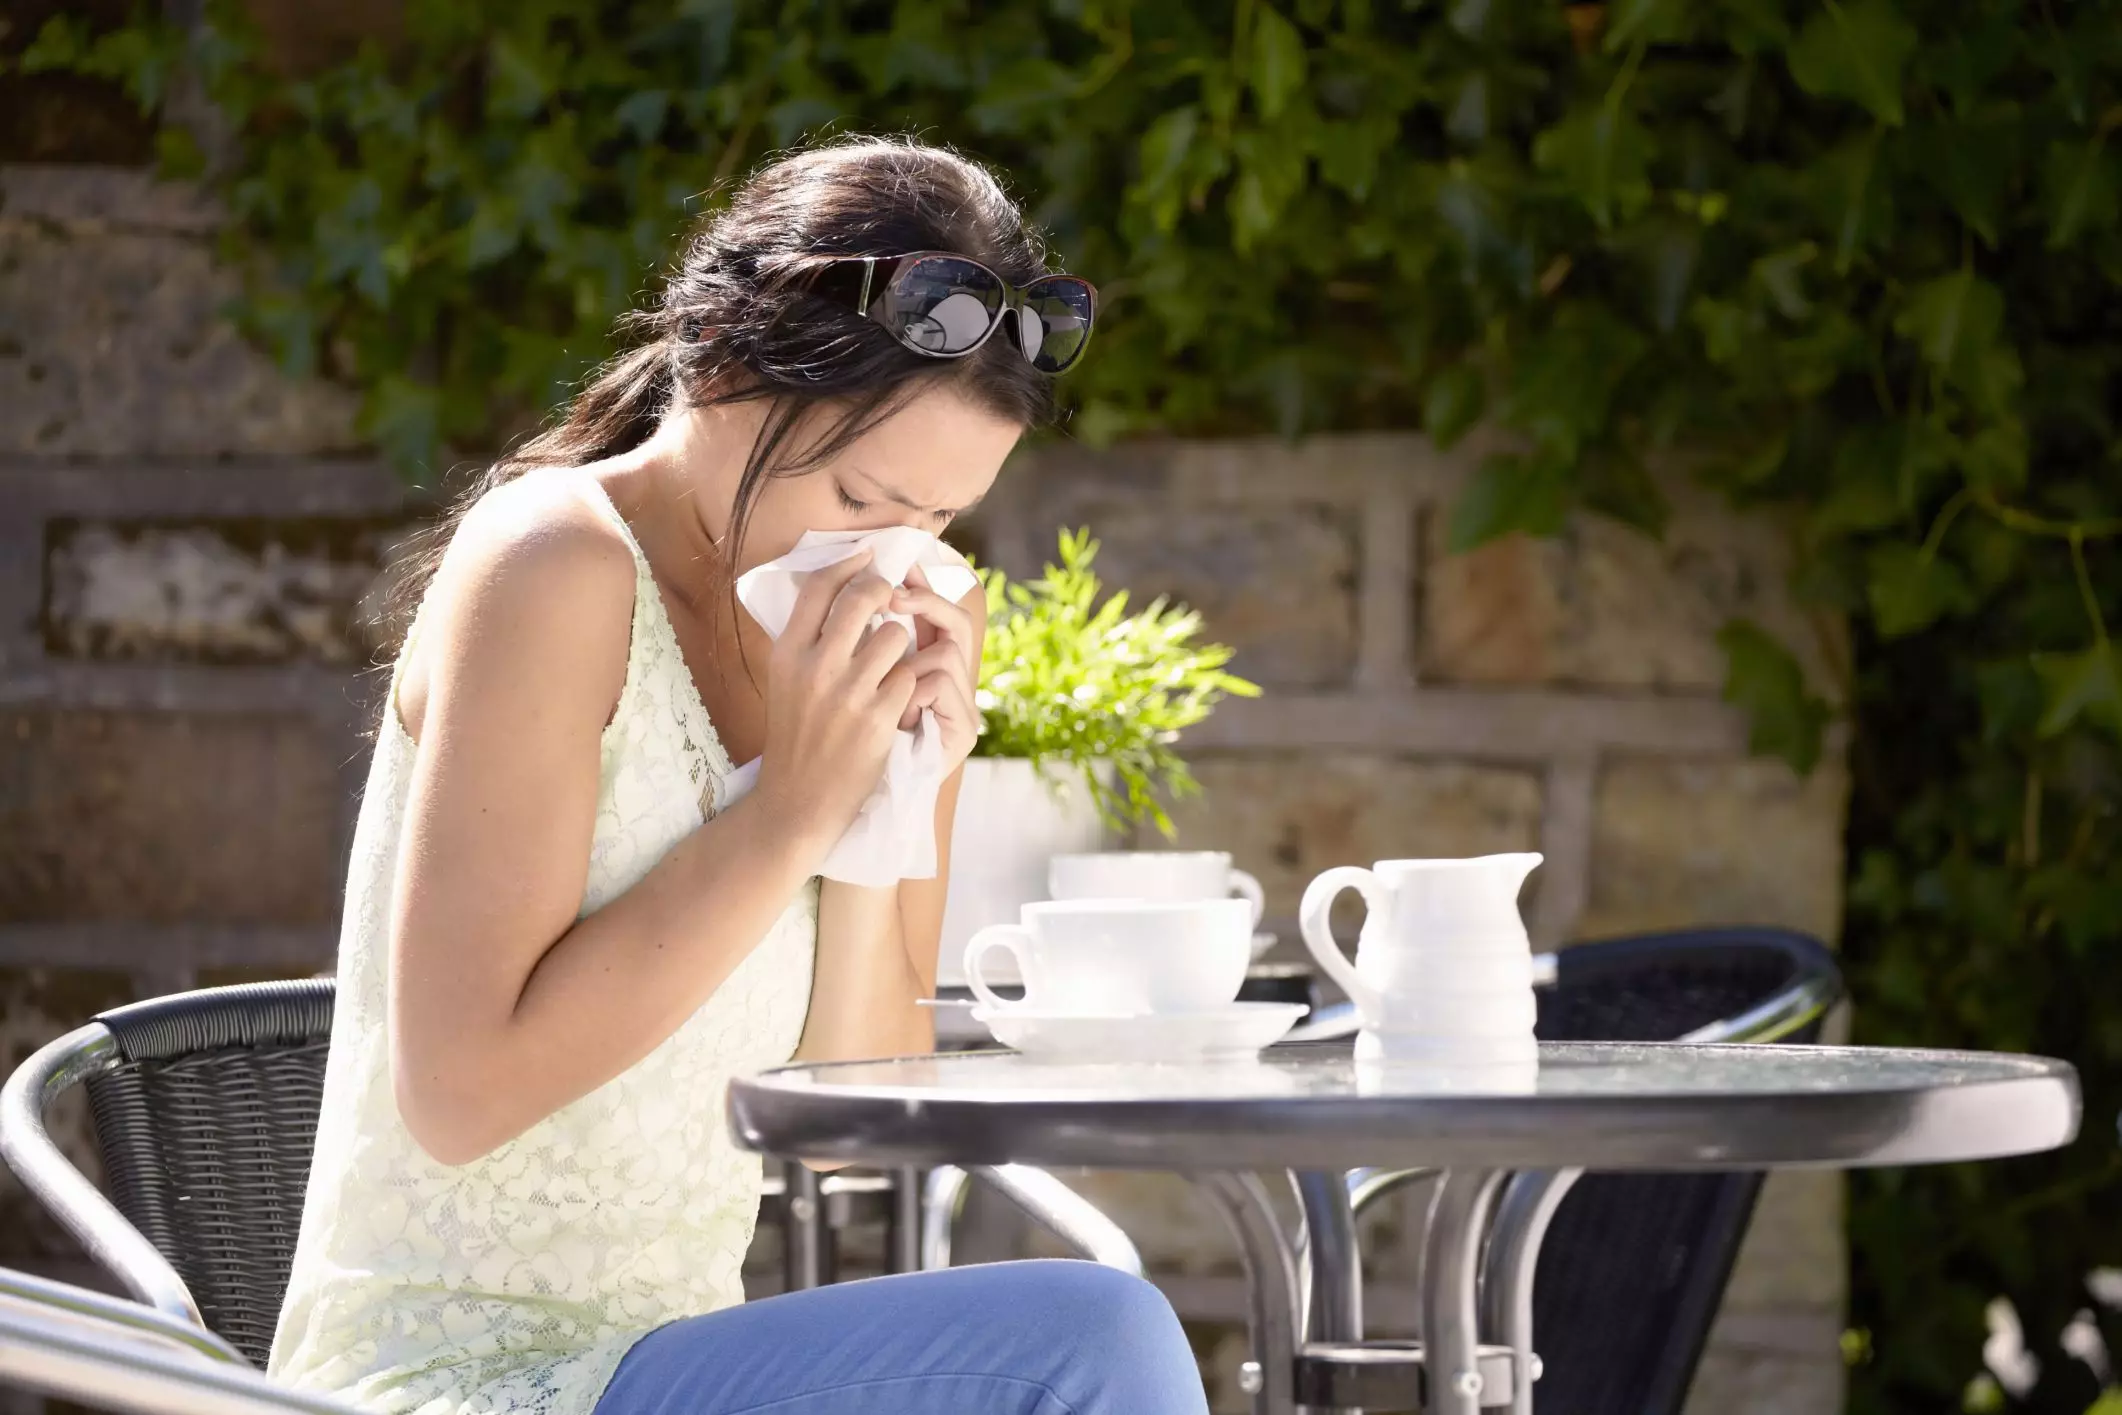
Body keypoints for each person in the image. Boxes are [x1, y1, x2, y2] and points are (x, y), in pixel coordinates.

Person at [268, 136, 1206, 1415]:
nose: (892, 553)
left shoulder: (842, 645)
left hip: (685, 1361)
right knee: (1094, 1335)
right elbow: (461, 1092)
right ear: (718, 366)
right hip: (452, 1379)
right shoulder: (552, 566)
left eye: (937, 519)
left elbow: (859, 1105)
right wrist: (789, 814)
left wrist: (894, 785)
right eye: (862, 492)